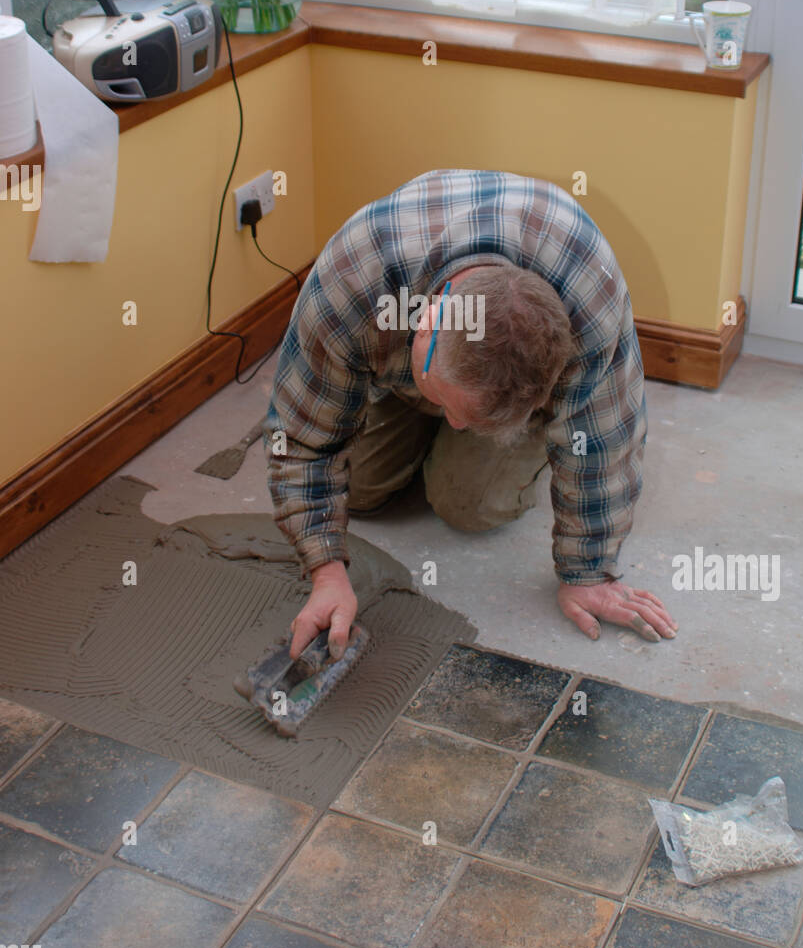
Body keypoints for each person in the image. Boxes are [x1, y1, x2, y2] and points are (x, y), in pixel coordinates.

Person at [264, 168, 676, 659]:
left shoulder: (589, 290)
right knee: (362, 491)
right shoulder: (352, 283)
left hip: (481, 375)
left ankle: (474, 417)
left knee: (471, 507)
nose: (458, 427)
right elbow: (299, 440)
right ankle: (430, 407)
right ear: (424, 326)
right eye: (449, 407)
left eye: (470, 420)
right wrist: (327, 572)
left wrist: (587, 572)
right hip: (391, 357)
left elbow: (605, 440)